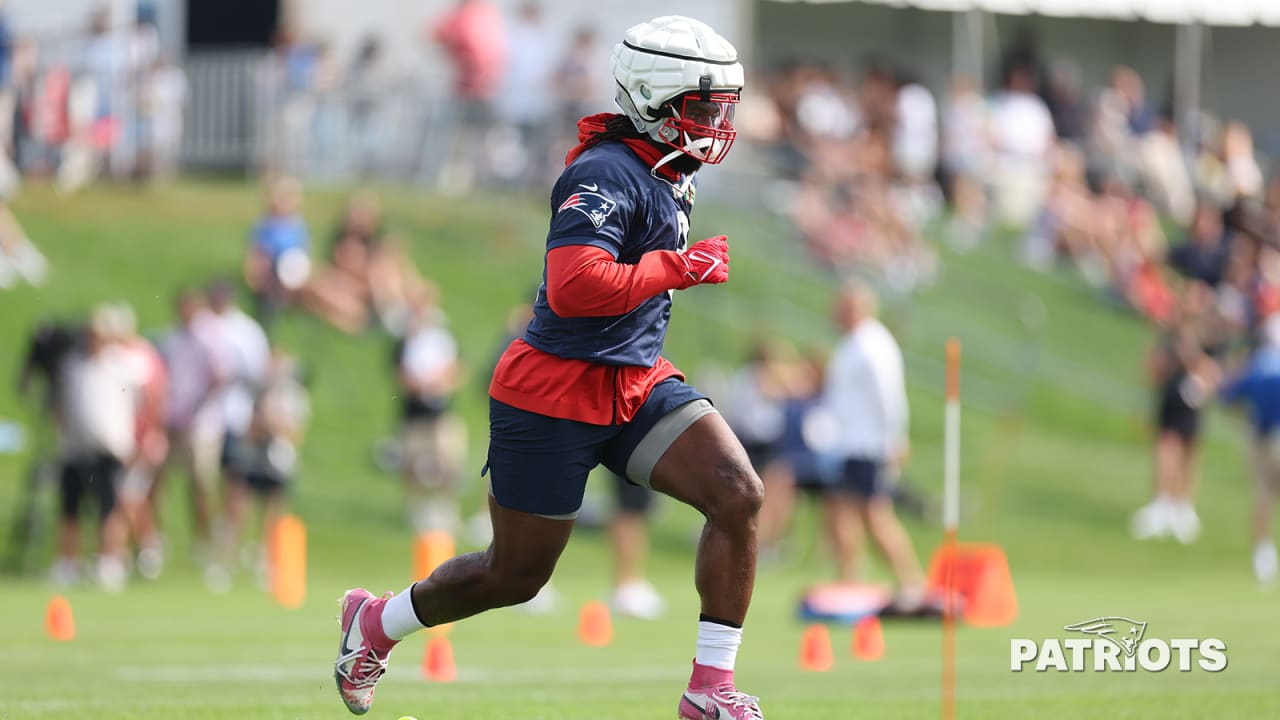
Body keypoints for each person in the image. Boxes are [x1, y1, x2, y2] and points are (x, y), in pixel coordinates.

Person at [335, 16, 764, 720]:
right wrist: (677, 267)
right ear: (657, 98)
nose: (717, 122)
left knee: (738, 493)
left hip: (633, 378)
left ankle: (709, 691)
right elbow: (574, 283)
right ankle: (377, 623)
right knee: (515, 576)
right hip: (555, 390)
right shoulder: (605, 171)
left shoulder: (666, 166)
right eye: (705, 105)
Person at [822, 281, 933, 614]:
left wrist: (894, 438)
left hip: (869, 444)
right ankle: (850, 580)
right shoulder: (854, 344)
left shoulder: (872, 344)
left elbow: (889, 395)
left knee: (875, 515)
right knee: (842, 512)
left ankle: (913, 583)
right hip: (849, 444)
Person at [1219, 314, 1280, 585]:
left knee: (1263, 495)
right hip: (1272, 437)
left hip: (1260, 437)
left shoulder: (1255, 365)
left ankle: (1262, 554)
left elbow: (1228, 396)